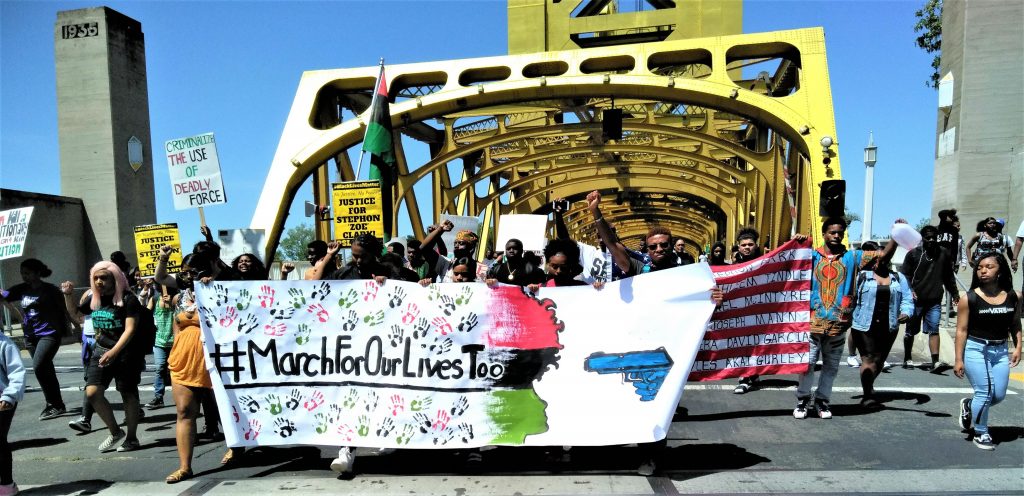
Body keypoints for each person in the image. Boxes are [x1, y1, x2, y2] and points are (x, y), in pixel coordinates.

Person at [587, 190, 723, 475]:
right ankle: (645, 450)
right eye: (653, 246)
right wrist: (596, 213)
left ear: (672, 246)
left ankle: (652, 453)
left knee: (662, 402)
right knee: (642, 400)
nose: (659, 250)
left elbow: (705, 302)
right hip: (643, 343)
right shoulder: (638, 267)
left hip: (673, 347)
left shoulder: (688, 271)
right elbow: (613, 246)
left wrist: (714, 298)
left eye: (663, 245)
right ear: (646, 249)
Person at [796, 217, 899, 420]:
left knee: (831, 367)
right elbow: (786, 261)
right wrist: (797, 241)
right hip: (812, 321)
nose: (836, 236)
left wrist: (896, 236)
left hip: (838, 323)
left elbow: (883, 257)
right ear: (824, 234)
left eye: (840, 233)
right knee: (807, 364)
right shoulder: (811, 256)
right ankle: (803, 399)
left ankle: (822, 400)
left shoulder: (853, 257)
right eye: (832, 232)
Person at [317, 234, 390, 475]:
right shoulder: (345, 272)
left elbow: (411, 289)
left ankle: (387, 435)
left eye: (362, 256)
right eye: (354, 255)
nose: (357, 260)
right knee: (350, 397)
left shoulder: (388, 269)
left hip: (384, 347)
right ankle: (346, 449)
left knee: (382, 395)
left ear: (373, 254)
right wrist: (329, 256)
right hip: (351, 347)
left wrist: (388, 283)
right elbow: (318, 287)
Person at [61, 262, 144, 452]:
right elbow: (76, 315)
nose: (99, 281)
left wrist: (113, 352)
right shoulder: (95, 299)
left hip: (126, 354)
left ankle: (131, 438)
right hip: (100, 350)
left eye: (104, 277)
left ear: (115, 278)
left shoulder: (128, 299)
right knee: (92, 393)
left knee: (128, 394)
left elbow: (130, 330)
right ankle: (116, 432)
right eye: (96, 278)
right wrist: (67, 295)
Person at [953, 253, 1022, 450]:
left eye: (989, 267)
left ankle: (968, 405)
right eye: (980, 267)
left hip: (1000, 350)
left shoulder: (1014, 296)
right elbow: (961, 330)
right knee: (985, 392)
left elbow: (1015, 323)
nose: (983, 270)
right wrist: (958, 359)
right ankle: (981, 432)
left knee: (998, 395)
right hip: (976, 349)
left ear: (1000, 270)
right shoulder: (969, 298)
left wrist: (1018, 347)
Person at [0, 259, 68, 420]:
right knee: (45, 370)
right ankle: (55, 404)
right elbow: (6, 295)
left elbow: (63, 310)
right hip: (30, 336)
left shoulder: (50, 290)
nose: (25, 276)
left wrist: (73, 328)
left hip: (49, 334)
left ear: (38, 273)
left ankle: (55, 404)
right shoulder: (22, 289)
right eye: (22, 273)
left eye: (28, 273)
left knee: (39, 365)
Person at [849, 242, 913, 408]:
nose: (881, 261)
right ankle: (868, 394)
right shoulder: (862, 276)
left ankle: (868, 385)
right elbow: (851, 298)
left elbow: (907, 299)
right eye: (878, 259)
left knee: (879, 361)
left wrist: (906, 312)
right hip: (863, 325)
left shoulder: (899, 278)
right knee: (868, 359)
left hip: (889, 325)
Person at [902, 225, 961, 371]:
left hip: (934, 300)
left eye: (934, 237)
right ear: (922, 238)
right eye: (928, 237)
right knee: (910, 331)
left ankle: (935, 361)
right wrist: (909, 291)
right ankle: (907, 358)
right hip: (916, 301)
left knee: (934, 329)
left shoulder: (943, 253)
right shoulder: (913, 254)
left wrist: (955, 294)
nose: (931, 240)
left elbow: (948, 276)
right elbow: (905, 277)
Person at [732, 228, 763, 394]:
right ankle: (743, 377)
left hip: (759, 310)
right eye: (743, 245)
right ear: (738, 247)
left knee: (756, 343)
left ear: (755, 246)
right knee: (742, 344)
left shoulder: (766, 263)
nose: (747, 247)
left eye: (750, 244)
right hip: (740, 311)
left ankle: (754, 371)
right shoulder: (733, 266)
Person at [0, 329, 25, 496]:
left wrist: (10, 395)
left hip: (3, 400)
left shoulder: (4, 343)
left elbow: (17, 371)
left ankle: (7, 485)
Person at [145, 285, 176, 410]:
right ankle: (158, 397)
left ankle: (182, 396)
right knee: (160, 368)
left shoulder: (178, 299)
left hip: (175, 341)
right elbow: (146, 314)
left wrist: (173, 304)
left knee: (177, 370)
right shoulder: (155, 298)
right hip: (159, 341)